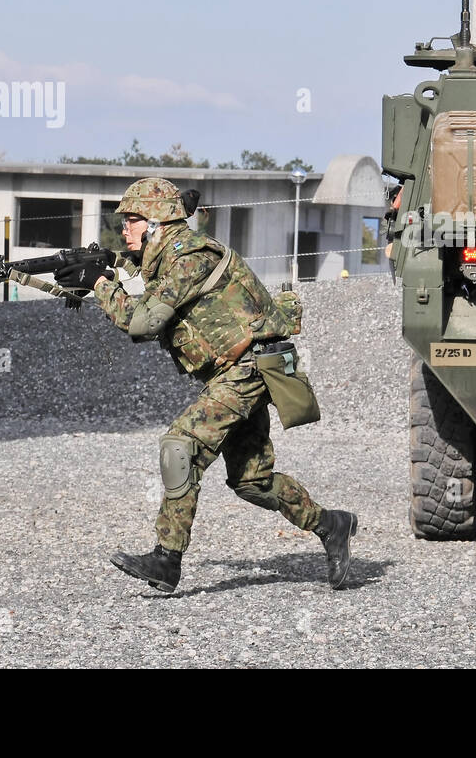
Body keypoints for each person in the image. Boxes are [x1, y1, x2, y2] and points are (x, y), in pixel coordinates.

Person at [55, 177, 357, 592]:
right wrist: (98, 276)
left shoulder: (188, 257)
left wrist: (100, 284)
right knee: (251, 481)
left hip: (247, 370)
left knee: (180, 446)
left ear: (158, 222)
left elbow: (141, 322)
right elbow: (145, 296)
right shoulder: (166, 260)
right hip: (234, 372)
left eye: (132, 220)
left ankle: (167, 559)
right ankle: (331, 524)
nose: (124, 228)